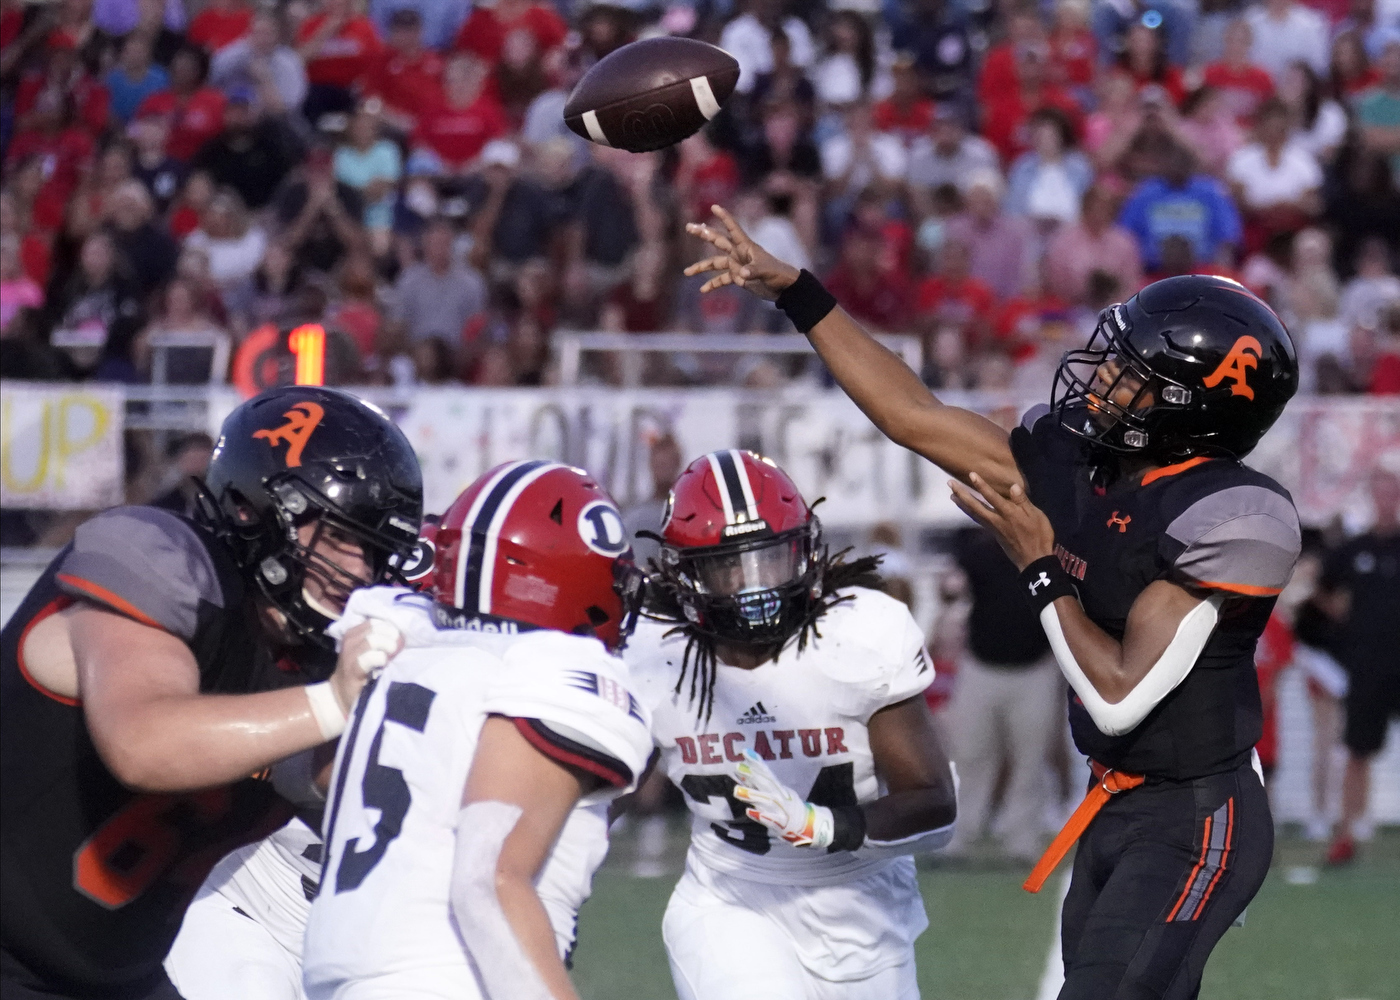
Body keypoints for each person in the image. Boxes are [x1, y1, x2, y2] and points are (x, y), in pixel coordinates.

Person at [684, 206, 1301, 999]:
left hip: (1199, 815)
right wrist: (797, 293)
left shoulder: (1229, 516)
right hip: (1114, 802)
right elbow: (913, 416)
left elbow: (1118, 696)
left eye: (1131, 374)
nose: (1101, 378)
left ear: (1191, 408)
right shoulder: (1082, 462)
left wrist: (1039, 566)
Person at [0, 385, 423, 1000]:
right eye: (338, 536)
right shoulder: (162, 556)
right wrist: (334, 703)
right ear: (255, 509)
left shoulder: (318, 654)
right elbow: (143, 745)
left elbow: (372, 800)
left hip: (116, 978)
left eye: (377, 549)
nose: (359, 569)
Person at [303, 461, 652, 1000]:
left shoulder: (402, 639)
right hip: (453, 978)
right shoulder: (551, 670)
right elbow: (488, 881)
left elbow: (325, 776)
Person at [624, 449, 958, 1000]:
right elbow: (604, 788)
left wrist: (817, 824)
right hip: (730, 896)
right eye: (731, 567)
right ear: (688, 576)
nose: (756, 587)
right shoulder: (653, 653)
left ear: (806, 550)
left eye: (771, 560)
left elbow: (934, 803)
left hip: (861, 901)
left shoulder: (857, 634)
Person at [938, 527, 1059, 862]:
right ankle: (959, 836)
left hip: (1034, 668)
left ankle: (1022, 840)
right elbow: (949, 589)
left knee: (1030, 760)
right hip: (981, 666)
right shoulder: (979, 551)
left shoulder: (1044, 550)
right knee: (969, 754)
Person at [1319, 468, 1400, 864]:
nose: (1385, 500)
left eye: (1391, 493)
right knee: (1357, 751)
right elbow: (1322, 590)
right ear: (1371, 497)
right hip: (1368, 667)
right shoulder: (1353, 550)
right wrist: (1345, 619)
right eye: (1379, 492)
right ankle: (1347, 836)